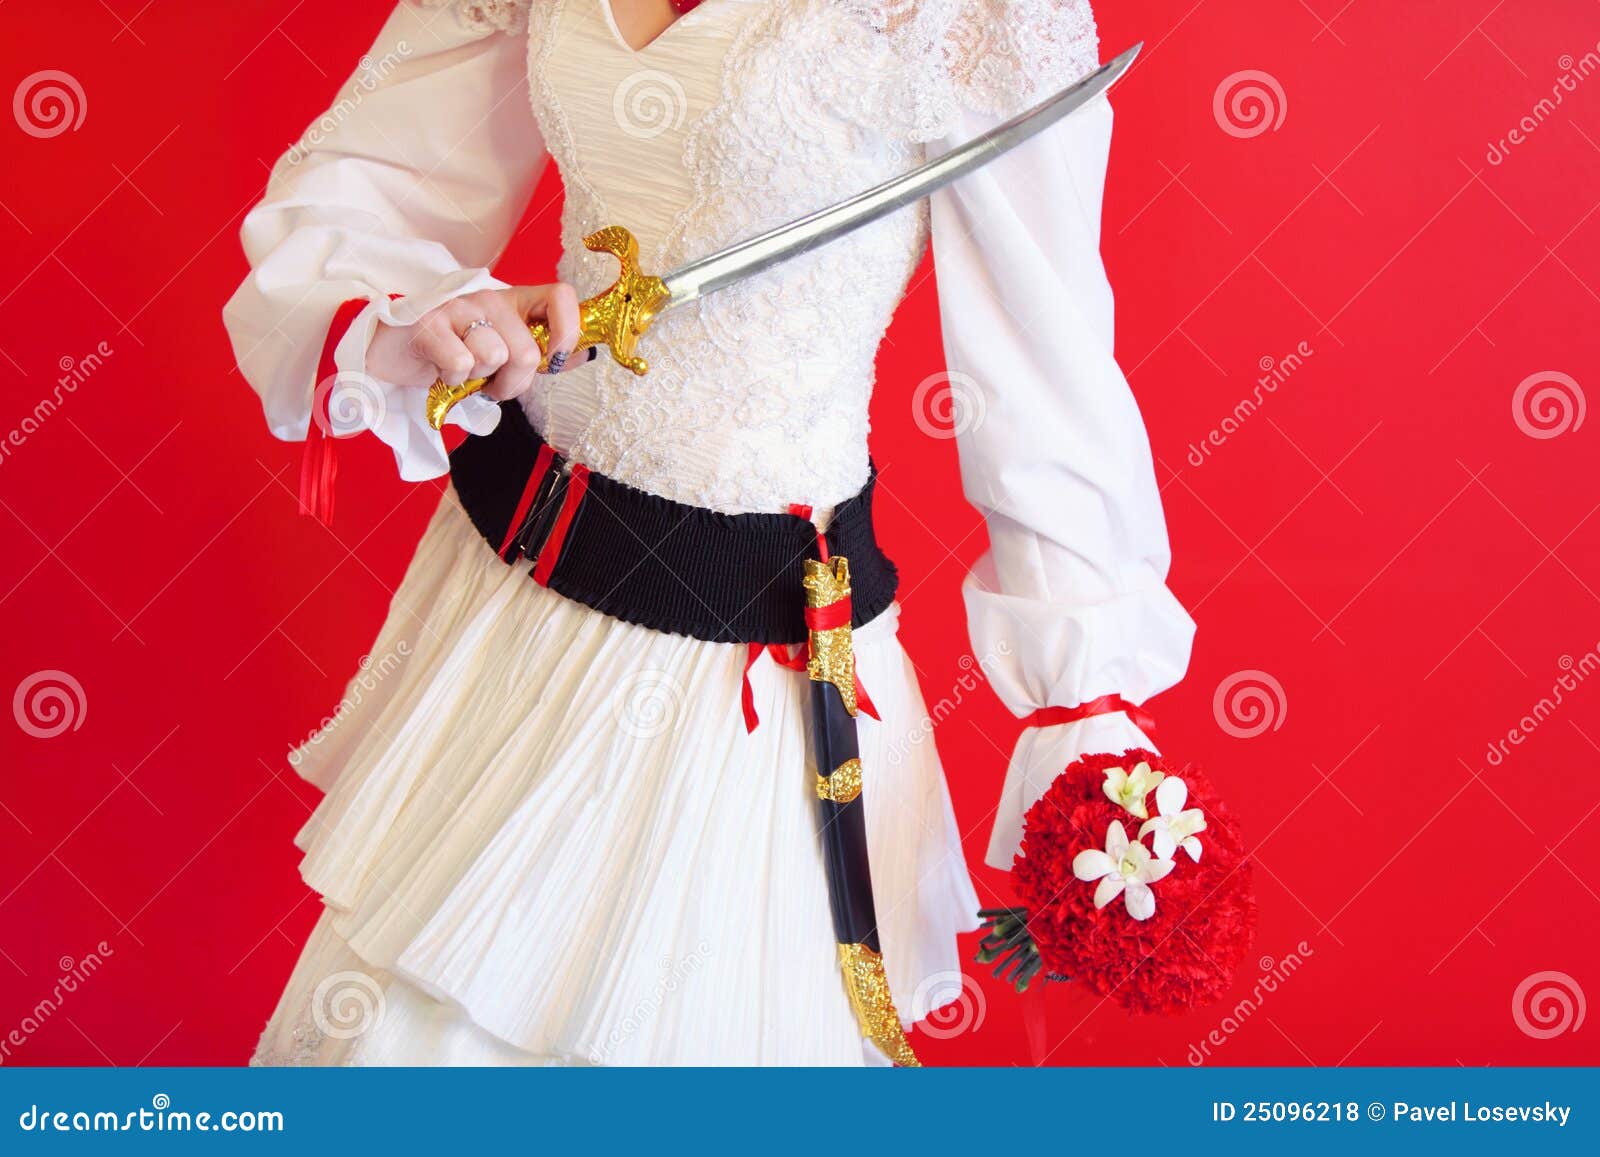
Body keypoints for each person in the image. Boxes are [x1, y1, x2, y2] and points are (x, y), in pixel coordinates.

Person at [224, 0, 1193, 1066]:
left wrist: (1084, 699)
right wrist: (422, 311)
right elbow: (371, 172)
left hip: (746, 661)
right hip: (514, 595)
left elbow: (1039, 360)